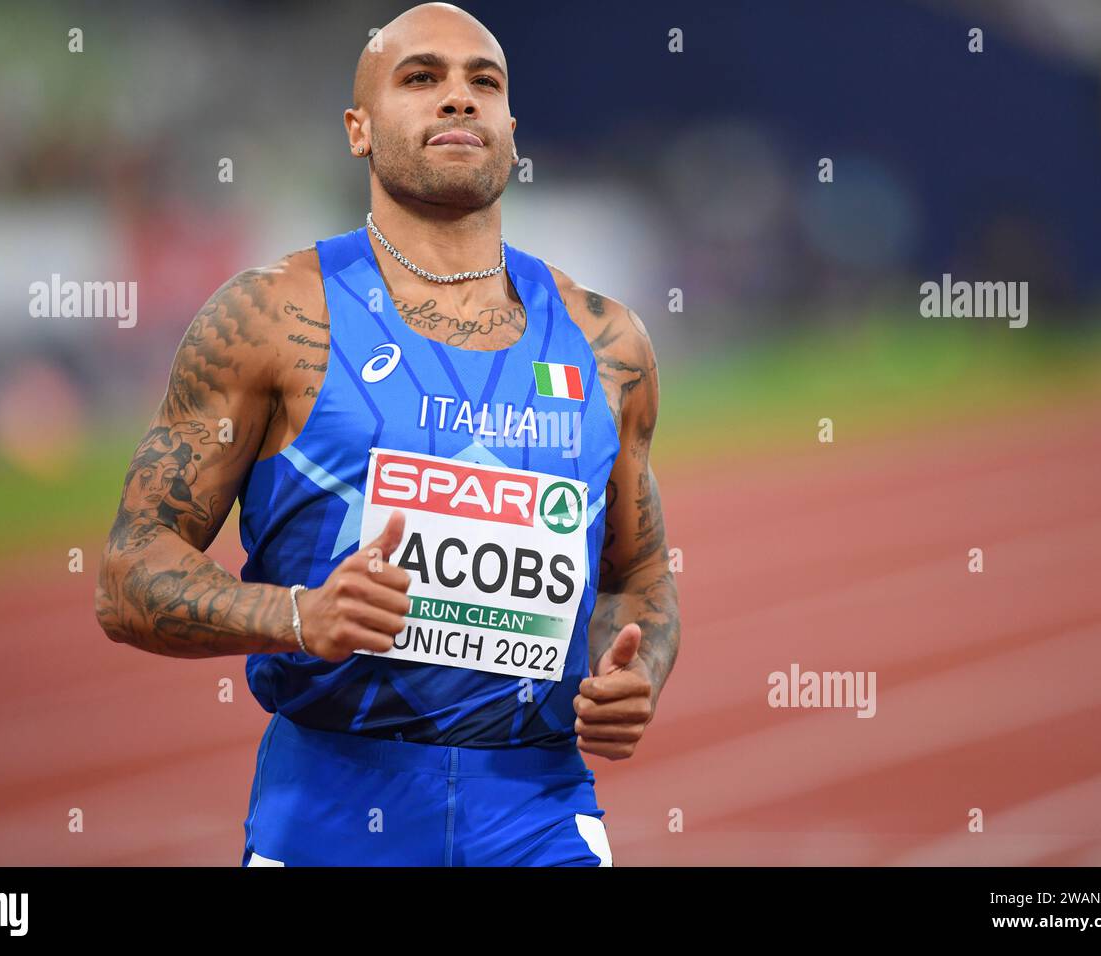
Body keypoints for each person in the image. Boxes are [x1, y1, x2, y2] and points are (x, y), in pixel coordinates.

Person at [95, 1, 679, 866]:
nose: (458, 99)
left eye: (484, 83)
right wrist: (299, 615)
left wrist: (637, 675)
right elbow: (130, 571)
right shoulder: (270, 317)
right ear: (358, 129)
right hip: (330, 807)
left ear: (512, 130)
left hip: (540, 815)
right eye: (421, 79)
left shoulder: (608, 344)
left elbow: (637, 577)